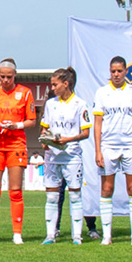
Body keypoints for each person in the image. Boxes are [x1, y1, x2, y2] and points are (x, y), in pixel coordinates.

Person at [92, 55, 132, 246]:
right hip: (108, 146)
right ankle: (107, 235)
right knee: (107, 189)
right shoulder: (101, 92)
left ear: (126, 71)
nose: (116, 74)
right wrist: (98, 150)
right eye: (113, 71)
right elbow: (97, 123)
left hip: (131, 144)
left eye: (119, 71)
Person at [0, 58, 36, 245]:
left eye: (9, 77)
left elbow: (31, 120)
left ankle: (17, 233)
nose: (5, 80)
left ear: (15, 76)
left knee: (15, 191)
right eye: (2, 76)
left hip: (16, 145)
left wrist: (16, 125)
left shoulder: (25, 93)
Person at [39, 67, 92, 245]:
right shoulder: (50, 104)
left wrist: (69, 139)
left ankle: (76, 236)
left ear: (66, 84)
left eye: (55, 84)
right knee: (52, 196)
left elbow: (85, 133)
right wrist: (45, 139)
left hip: (71, 156)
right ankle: (50, 235)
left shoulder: (80, 104)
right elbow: (44, 127)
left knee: (75, 195)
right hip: (52, 156)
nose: (52, 88)